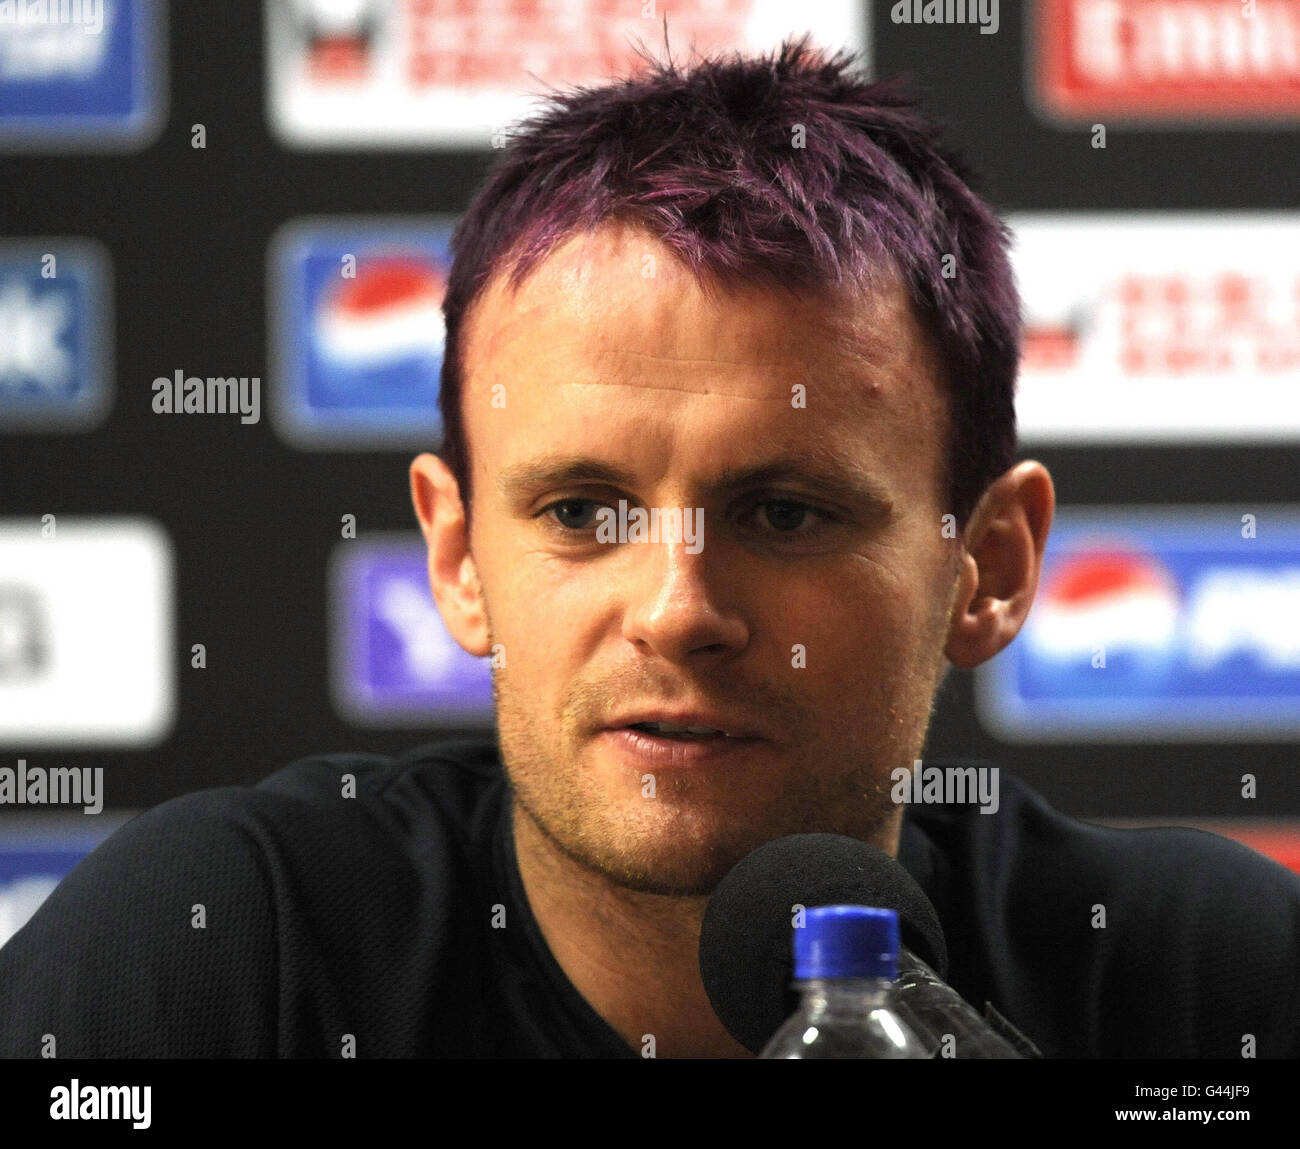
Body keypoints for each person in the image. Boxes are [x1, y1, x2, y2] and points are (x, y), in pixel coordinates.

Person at [2, 36, 1297, 1060]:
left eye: (785, 513)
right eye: (581, 512)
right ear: (457, 558)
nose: (677, 609)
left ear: (992, 566)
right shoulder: (216, 954)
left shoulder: (1202, 982)